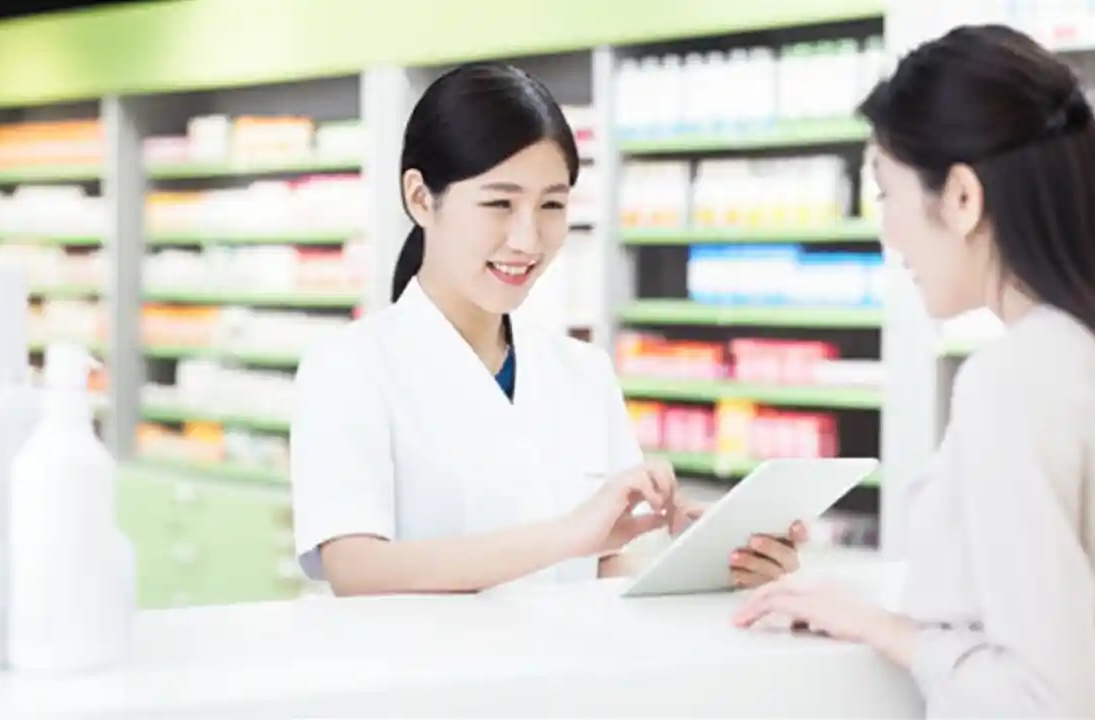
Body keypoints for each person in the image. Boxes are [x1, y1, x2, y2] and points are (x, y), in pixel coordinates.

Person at [732, 25, 1095, 718]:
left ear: (963, 199)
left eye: (886, 193)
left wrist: (889, 631)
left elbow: (1047, 695)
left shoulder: (1018, 379)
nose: (887, 231)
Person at [290, 62, 804, 596]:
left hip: (569, 677)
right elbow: (357, 569)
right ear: (421, 198)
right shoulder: (349, 367)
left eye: (552, 205)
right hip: (427, 678)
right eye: (499, 204)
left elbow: (607, 569)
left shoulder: (582, 372)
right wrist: (569, 536)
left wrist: (710, 569)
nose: (527, 239)